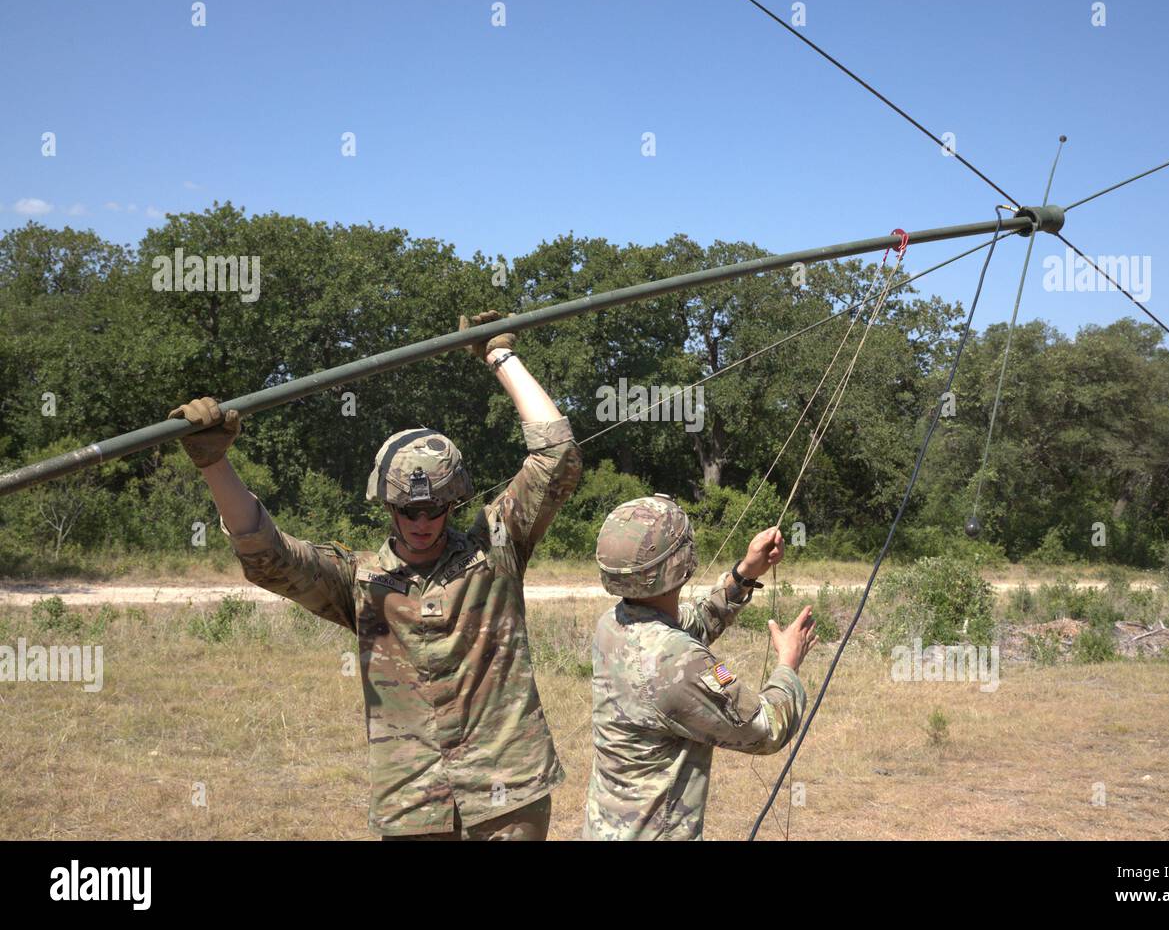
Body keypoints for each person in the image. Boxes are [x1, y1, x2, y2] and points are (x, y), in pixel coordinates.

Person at [168, 311, 581, 840]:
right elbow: (267, 556)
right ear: (387, 506)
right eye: (408, 511)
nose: (423, 522)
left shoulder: (496, 548)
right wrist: (213, 463)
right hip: (413, 800)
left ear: (455, 502)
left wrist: (501, 356)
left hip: (507, 792)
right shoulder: (360, 582)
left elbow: (557, 458)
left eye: (435, 508)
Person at [584, 494, 816, 840]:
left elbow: (693, 622)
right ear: (682, 562)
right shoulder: (677, 660)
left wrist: (745, 574)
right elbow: (766, 730)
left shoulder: (614, 624)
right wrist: (788, 664)